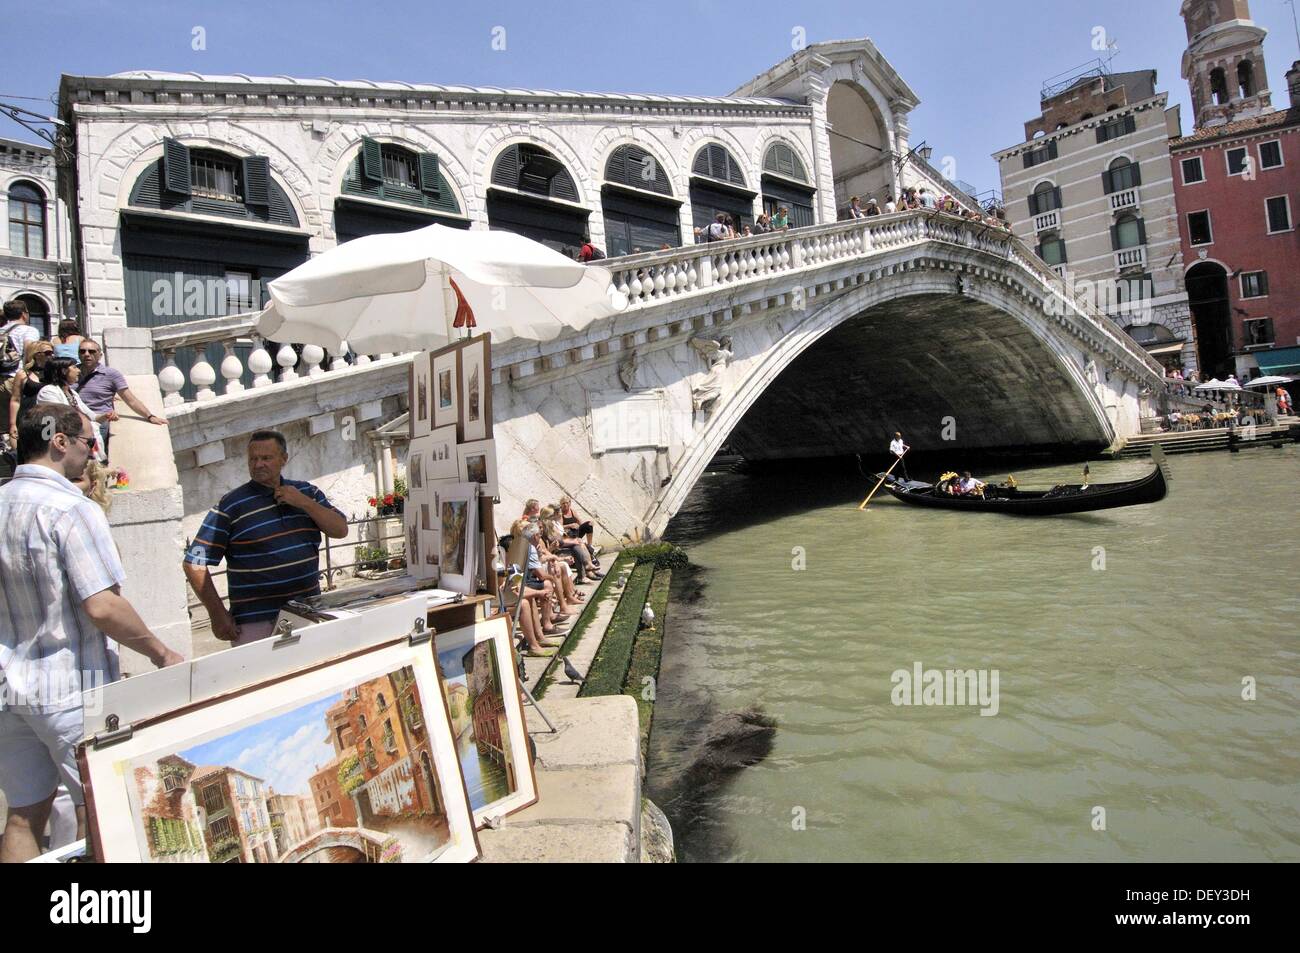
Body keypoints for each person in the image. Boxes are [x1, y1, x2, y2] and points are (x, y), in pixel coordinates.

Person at [0, 403, 183, 863]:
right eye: (87, 441)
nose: (92, 453)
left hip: (8, 688)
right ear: (59, 442)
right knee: (100, 812)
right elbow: (102, 604)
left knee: (23, 816)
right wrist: (161, 653)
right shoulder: (70, 507)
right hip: (72, 688)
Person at [183, 430, 348, 647]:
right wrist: (217, 613)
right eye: (253, 459)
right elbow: (194, 563)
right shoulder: (232, 505)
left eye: (266, 458)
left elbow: (340, 530)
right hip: (255, 622)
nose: (259, 464)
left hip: (308, 612)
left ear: (284, 459)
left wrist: (304, 503)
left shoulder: (307, 492)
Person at [74, 338, 166, 457]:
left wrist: (150, 416)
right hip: (73, 422)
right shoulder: (71, 371)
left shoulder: (111, 374)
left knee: (91, 460)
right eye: (83, 351)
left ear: (100, 355)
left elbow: (130, 399)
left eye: (91, 351)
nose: (87, 354)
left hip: (97, 423)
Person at [36, 356, 106, 463]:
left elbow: (92, 416)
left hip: (79, 442)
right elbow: (63, 418)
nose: (78, 370)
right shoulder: (48, 391)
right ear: (64, 371)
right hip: (61, 447)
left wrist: (106, 416)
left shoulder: (72, 393)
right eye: (74, 367)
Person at [1, 299, 43, 448]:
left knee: (7, 425)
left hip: (1, 381)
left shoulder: (1, 330)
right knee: (25, 421)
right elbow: (29, 351)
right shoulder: (28, 330)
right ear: (24, 314)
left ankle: (10, 457)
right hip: (17, 379)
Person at [6, 340, 54, 450]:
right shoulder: (23, 374)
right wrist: (12, 424)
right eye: (47, 353)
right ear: (36, 355)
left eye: (52, 352)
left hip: (48, 418)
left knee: (46, 448)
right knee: (25, 450)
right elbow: (15, 399)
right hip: (28, 415)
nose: (51, 355)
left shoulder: (53, 373)